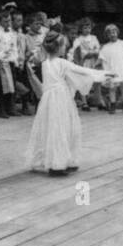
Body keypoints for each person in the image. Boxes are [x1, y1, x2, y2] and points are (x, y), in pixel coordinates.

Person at [25, 30, 113, 175]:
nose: (65, 48)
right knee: (62, 129)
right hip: (60, 98)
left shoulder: (45, 63)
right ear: (59, 48)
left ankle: (62, 160)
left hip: (49, 99)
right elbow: (83, 71)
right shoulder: (62, 63)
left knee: (54, 128)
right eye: (64, 45)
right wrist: (104, 75)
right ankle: (57, 164)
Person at [98, 23, 123, 113]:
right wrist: (106, 70)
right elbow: (103, 60)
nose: (112, 34)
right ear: (107, 35)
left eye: (114, 32)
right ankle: (112, 104)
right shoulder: (106, 47)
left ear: (117, 33)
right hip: (112, 69)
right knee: (112, 87)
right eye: (110, 33)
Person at [69, 17, 103, 110]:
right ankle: (84, 102)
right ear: (81, 28)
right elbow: (77, 51)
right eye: (85, 28)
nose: (87, 30)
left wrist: (95, 52)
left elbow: (97, 47)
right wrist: (85, 54)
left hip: (93, 61)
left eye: (89, 28)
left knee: (96, 81)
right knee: (83, 81)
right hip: (84, 62)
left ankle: (99, 100)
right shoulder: (78, 39)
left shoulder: (94, 38)